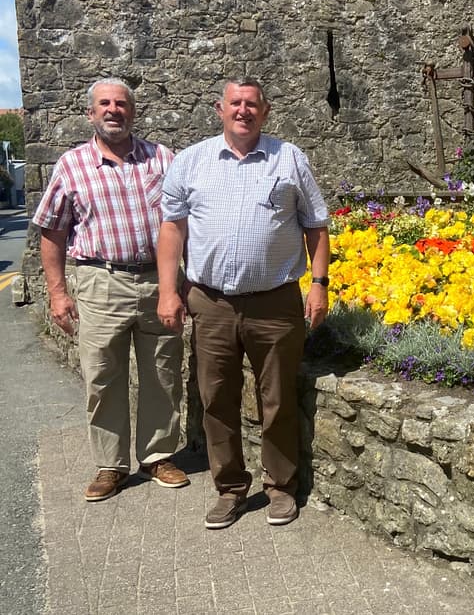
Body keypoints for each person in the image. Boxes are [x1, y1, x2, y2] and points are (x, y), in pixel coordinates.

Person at [156, 78, 330, 529]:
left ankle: (280, 488)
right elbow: (172, 230)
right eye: (235, 103)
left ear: (265, 111)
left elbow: (317, 225)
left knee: (277, 399)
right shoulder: (191, 162)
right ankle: (230, 489)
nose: (243, 111)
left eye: (251, 104)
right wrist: (168, 290)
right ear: (220, 109)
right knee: (216, 399)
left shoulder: (289, 158)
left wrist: (319, 284)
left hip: (275, 303)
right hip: (210, 303)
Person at [32, 77, 190, 501]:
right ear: (91, 113)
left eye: (121, 104)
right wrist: (58, 292)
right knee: (102, 374)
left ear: (132, 112)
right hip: (100, 281)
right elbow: (52, 232)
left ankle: (157, 455)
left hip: (159, 280)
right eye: (105, 104)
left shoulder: (163, 159)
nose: (113, 110)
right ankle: (111, 464)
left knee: (162, 370)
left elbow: (185, 218)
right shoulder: (72, 165)